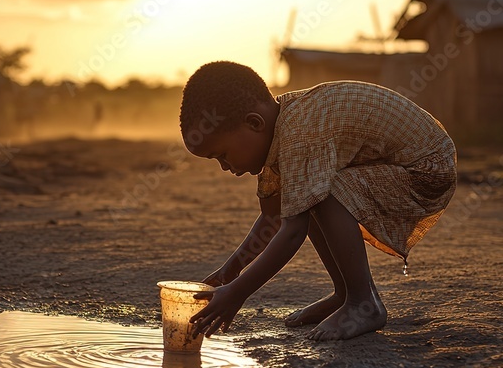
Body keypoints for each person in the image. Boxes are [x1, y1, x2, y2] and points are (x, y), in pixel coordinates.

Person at [181, 61, 456, 341]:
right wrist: (231, 270)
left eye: (222, 155)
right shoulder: (285, 128)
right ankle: (344, 294)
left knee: (322, 191)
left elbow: (292, 234)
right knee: (306, 195)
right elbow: (273, 217)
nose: (225, 167)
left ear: (254, 123)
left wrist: (238, 292)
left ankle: (364, 304)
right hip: (400, 166)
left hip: (425, 171)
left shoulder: (300, 134)